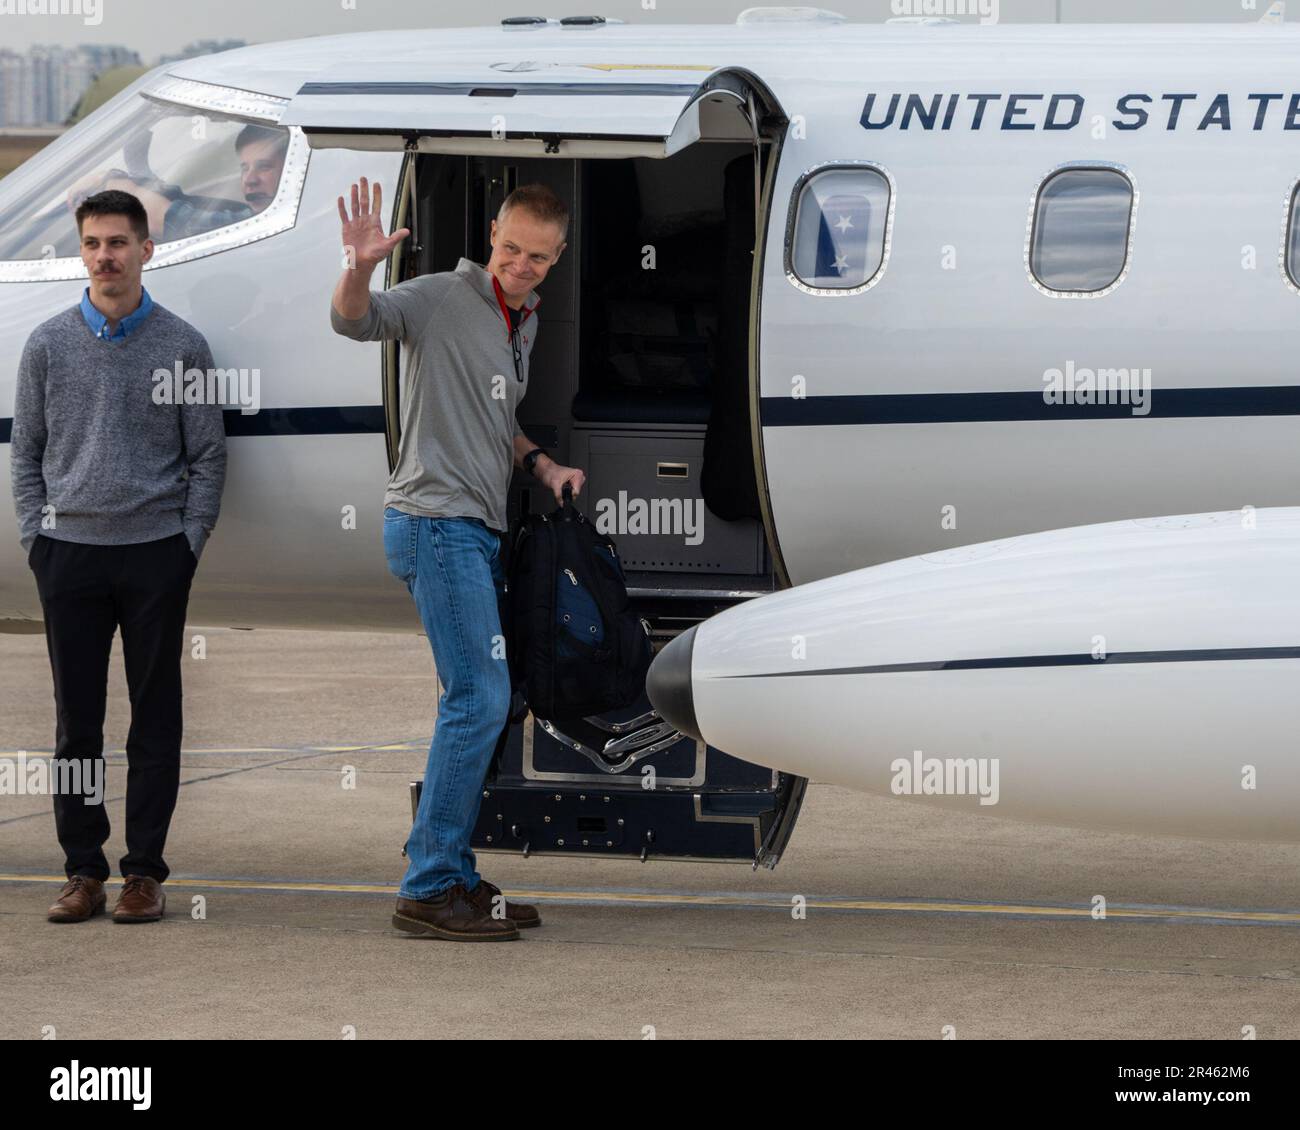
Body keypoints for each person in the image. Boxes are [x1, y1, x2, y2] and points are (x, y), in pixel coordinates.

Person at [331, 178, 585, 942]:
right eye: (512, 249)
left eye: (539, 256)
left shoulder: (524, 320)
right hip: (433, 523)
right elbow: (357, 322)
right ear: (493, 236)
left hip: (476, 529)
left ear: (558, 256)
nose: (522, 264)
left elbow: (496, 421)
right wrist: (358, 267)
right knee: (477, 699)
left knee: (485, 701)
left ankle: (455, 873)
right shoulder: (441, 296)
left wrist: (542, 467)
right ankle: (430, 884)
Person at [10, 190, 227, 924]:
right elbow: (27, 454)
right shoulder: (45, 344)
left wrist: (187, 545)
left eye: (119, 243)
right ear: (83, 252)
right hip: (67, 555)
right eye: (94, 243)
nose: (106, 255)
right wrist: (36, 541)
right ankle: (82, 871)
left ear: (146, 251)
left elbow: (207, 454)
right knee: (77, 722)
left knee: (155, 717)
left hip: (154, 557)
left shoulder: (183, 344)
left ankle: (143, 874)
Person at [64, 122, 290, 243]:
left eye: (264, 167)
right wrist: (142, 178)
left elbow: (177, 221)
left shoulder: (259, 226)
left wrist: (109, 180)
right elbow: (188, 203)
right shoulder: (249, 212)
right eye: (244, 168)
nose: (250, 180)